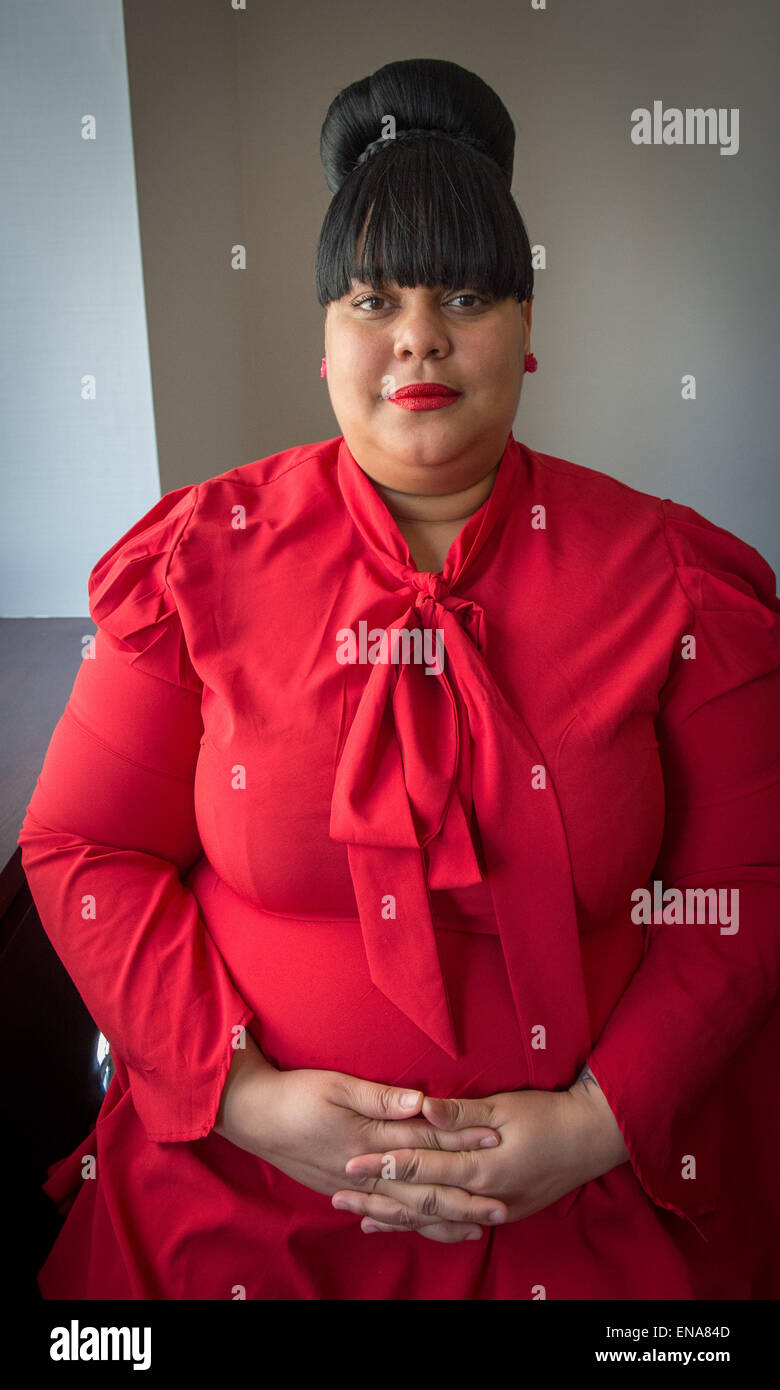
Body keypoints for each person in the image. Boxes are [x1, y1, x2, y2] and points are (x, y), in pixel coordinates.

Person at [20, 57, 780, 1300]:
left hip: (594, 1187)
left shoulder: (679, 581)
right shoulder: (194, 563)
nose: (420, 333)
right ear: (324, 344)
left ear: (529, 333)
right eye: (373, 299)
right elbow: (83, 848)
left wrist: (593, 1124)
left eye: (468, 294)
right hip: (244, 1186)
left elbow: (746, 884)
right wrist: (244, 1097)